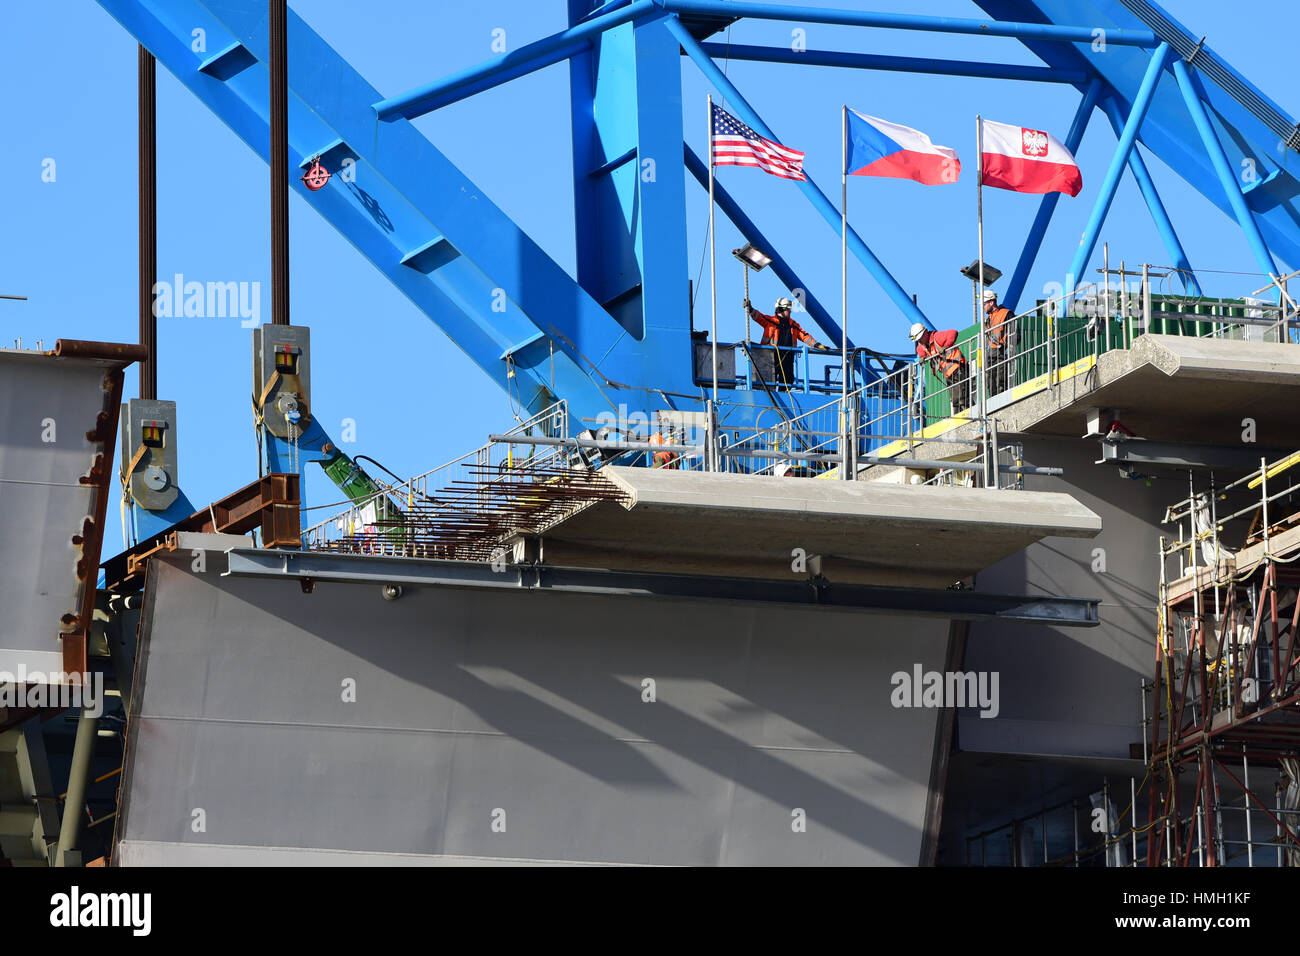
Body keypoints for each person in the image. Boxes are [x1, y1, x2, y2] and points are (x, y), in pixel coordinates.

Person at [745, 296, 831, 389]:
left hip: (788, 358)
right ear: (781, 309)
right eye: (788, 309)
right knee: (769, 382)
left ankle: (783, 398)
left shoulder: (793, 325)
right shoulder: (771, 322)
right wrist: (750, 309)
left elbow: (805, 336)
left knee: (788, 381)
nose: (790, 311)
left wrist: (818, 345)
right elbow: (758, 316)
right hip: (771, 358)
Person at [909, 323, 971, 415]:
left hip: (958, 368)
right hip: (949, 374)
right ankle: (960, 420)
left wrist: (946, 346)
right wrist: (922, 356)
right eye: (918, 340)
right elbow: (920, 349)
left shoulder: (937, 337)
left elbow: (953, 333)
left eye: (920, 338)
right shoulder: (923, 346)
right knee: (955, 400)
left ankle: (971, 415)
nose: (920, 341)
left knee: (962, 397)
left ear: (925, 333)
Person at [982, 290, 1013, 397]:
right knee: (991, 386)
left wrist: (1007, 345)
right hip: (990, 357)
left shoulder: (1005, 314)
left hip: (1001, 354)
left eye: (984, 304)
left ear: (991, 302)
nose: (983, 307)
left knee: (1001, 383)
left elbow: (1015, 335)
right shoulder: (988, 319)